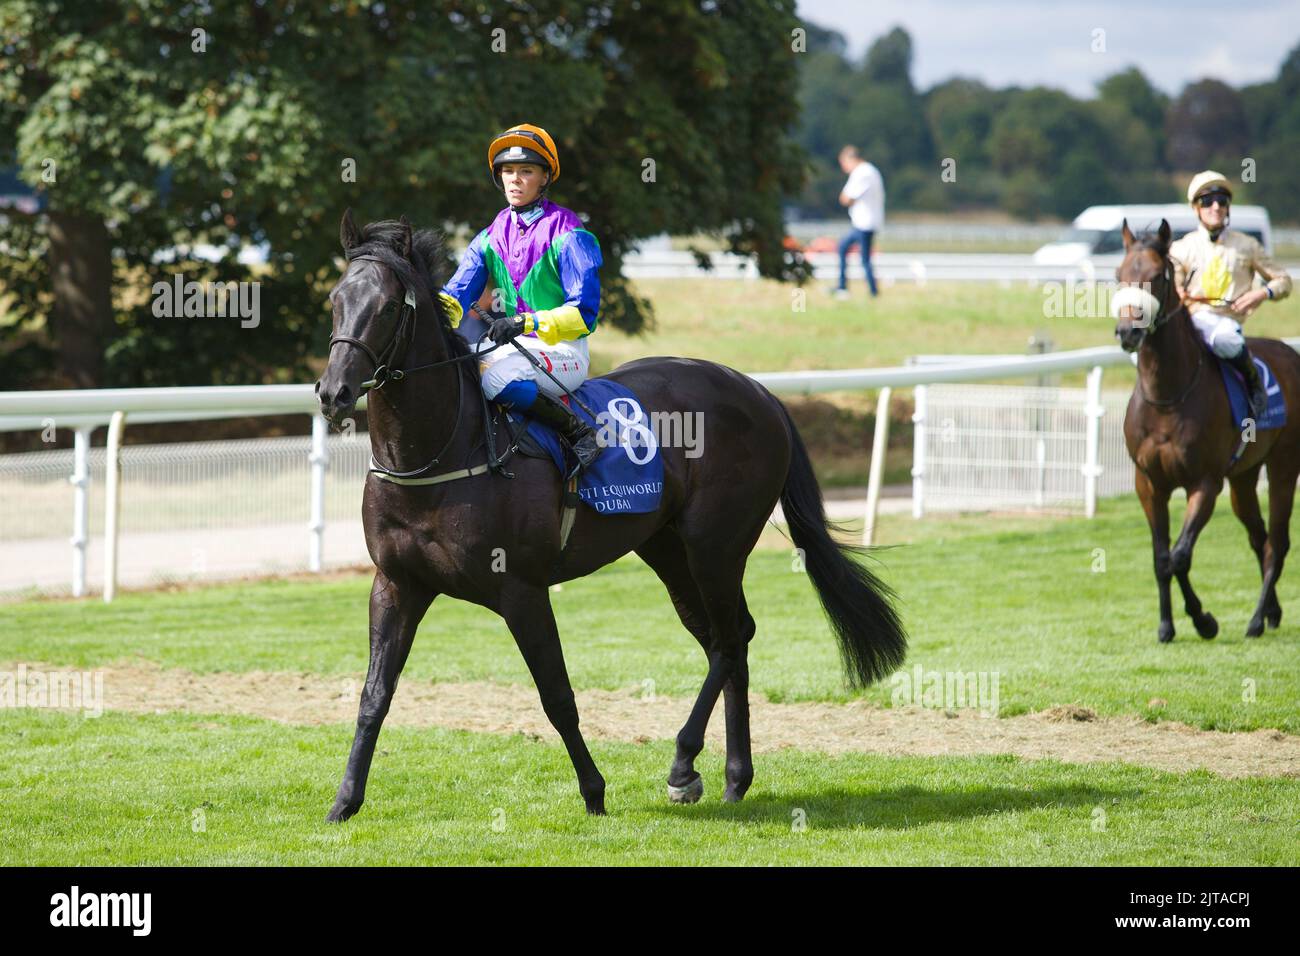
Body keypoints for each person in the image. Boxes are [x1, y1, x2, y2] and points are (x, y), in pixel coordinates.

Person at [443, 123, 603, 468]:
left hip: (563, 351)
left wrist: (524, 322)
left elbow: (584, 316)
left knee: (497, 379)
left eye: (526, 171)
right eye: (508, 171)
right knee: (450, 368)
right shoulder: (489, 236)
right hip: (512, 347)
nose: (515, 179)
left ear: (544, 178)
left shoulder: (570, 232)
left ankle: (577, 431)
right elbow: (453, 297)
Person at [1169, 170, 1292, 419]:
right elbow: (1174, 285)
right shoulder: (1181, 248)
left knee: (1227, 340)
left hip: (1226, 323)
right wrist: (1178, 290)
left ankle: (1254, 384)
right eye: (1207, 201)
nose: (1215, 207)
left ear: (1228, 207)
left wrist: (1262, 293)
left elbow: (1284, 281)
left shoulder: (1247, 245)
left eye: (1222, 201)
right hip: (1189, 323)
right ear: (1195, 208)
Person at [831, 145, 884, 300]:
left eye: (843, 163)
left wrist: (847, 199)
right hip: (866, 221)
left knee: (863, 257)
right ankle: (849, 287)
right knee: (847, 250)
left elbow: (847, 198)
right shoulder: (870, 171)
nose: (843, 167)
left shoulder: (863, 173)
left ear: (850, 159)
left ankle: (866, 291)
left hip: (864, 223)